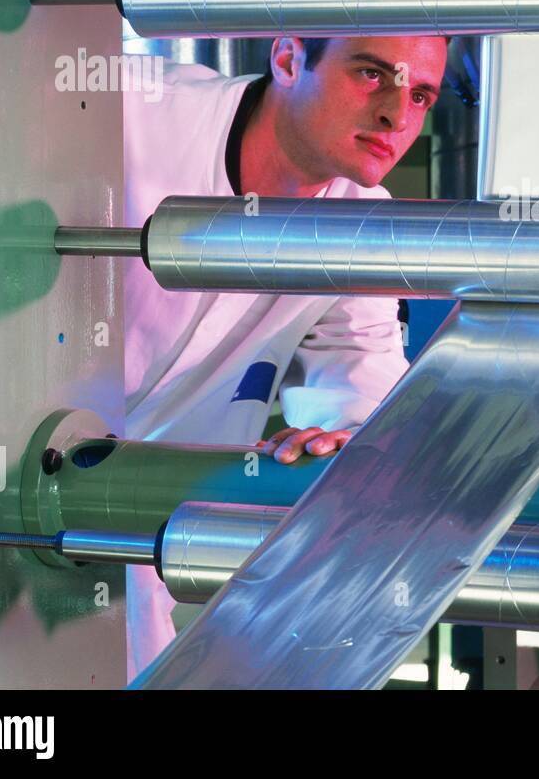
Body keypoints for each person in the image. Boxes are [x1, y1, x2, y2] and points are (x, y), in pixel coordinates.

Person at [124, 33, 447, 676]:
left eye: (419, 95)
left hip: (126, 539)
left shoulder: (361, 225)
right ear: (289, 58)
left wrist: (350, 436)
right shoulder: (130, 109)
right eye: (370, 75)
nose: (396, 115)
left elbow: (360, 364)